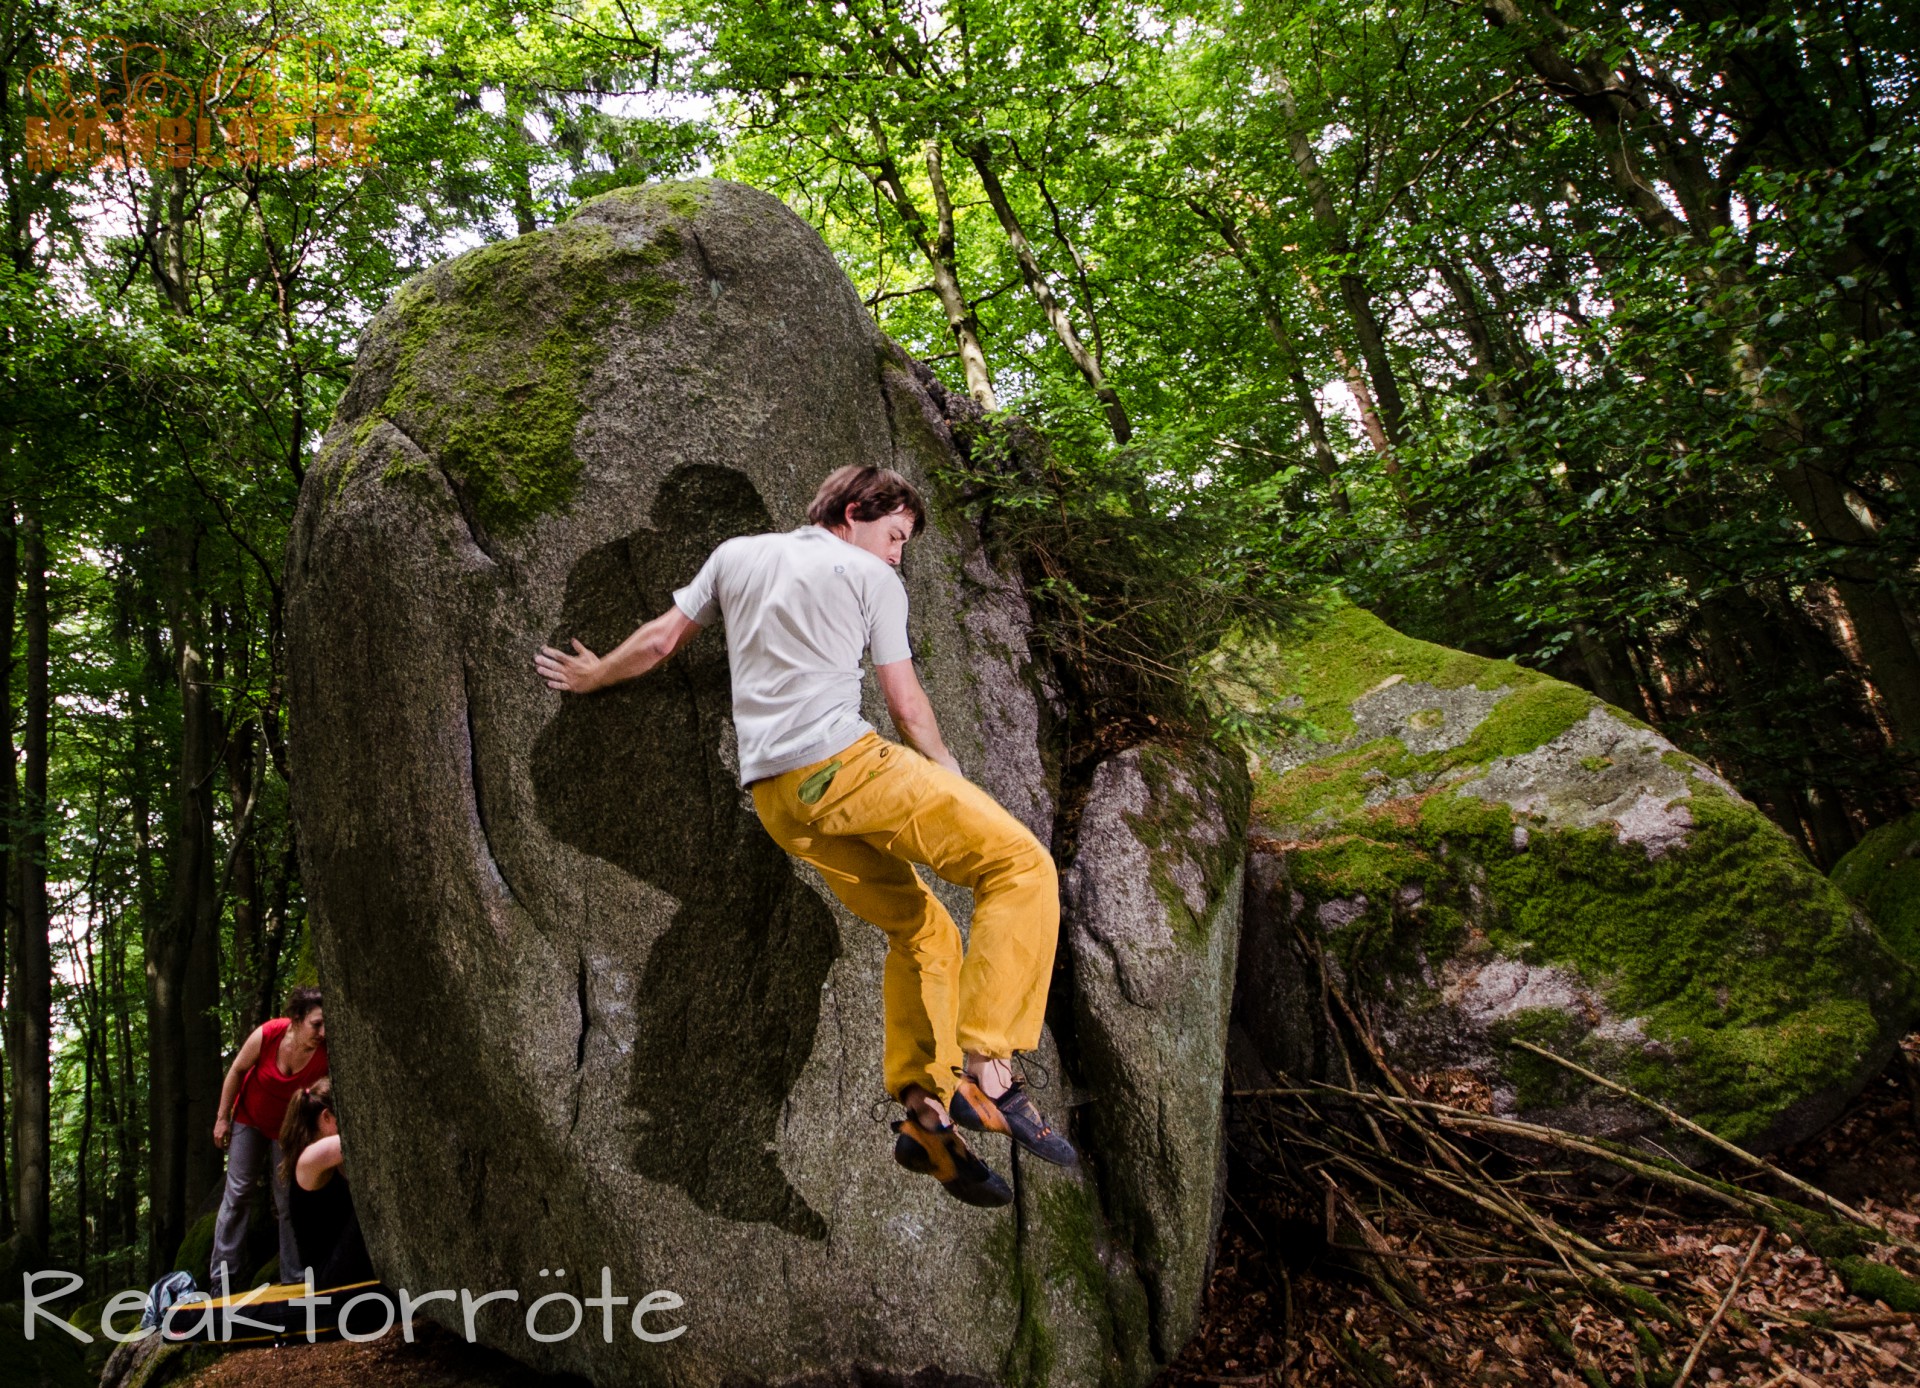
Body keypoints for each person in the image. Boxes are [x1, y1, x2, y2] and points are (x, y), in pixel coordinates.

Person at [535, 465, 1077, 1209]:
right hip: (845, 766)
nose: (897, 556)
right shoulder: (867, 575)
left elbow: (663, 641)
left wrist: (594, 676)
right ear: (854, 512)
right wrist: (955, 781)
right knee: (1022, 866)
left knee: (924, 931)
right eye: (895, 536)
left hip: (779, 801)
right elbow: (907, 704)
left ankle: (924, 1111)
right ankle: (988, 1063)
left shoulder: (736, 555)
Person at [210, 987, 328, 1288]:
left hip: (286, 1132)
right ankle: (223, 1280)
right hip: (249, 1119)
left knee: (287, 1200)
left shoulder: (325, 1053)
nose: (322, 1031)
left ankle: (295, 1277)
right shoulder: (269, 1034)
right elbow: (237, 1070)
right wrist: (223, 1118)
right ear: (297, 1019)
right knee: (237, 1194)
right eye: (316, 1024)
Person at [280, 1081, 375, 1291]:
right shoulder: (310, 1157)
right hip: (330, 1279)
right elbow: (364, 1141)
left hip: (342, 1269)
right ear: (325, 1117)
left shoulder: (329, 1163)